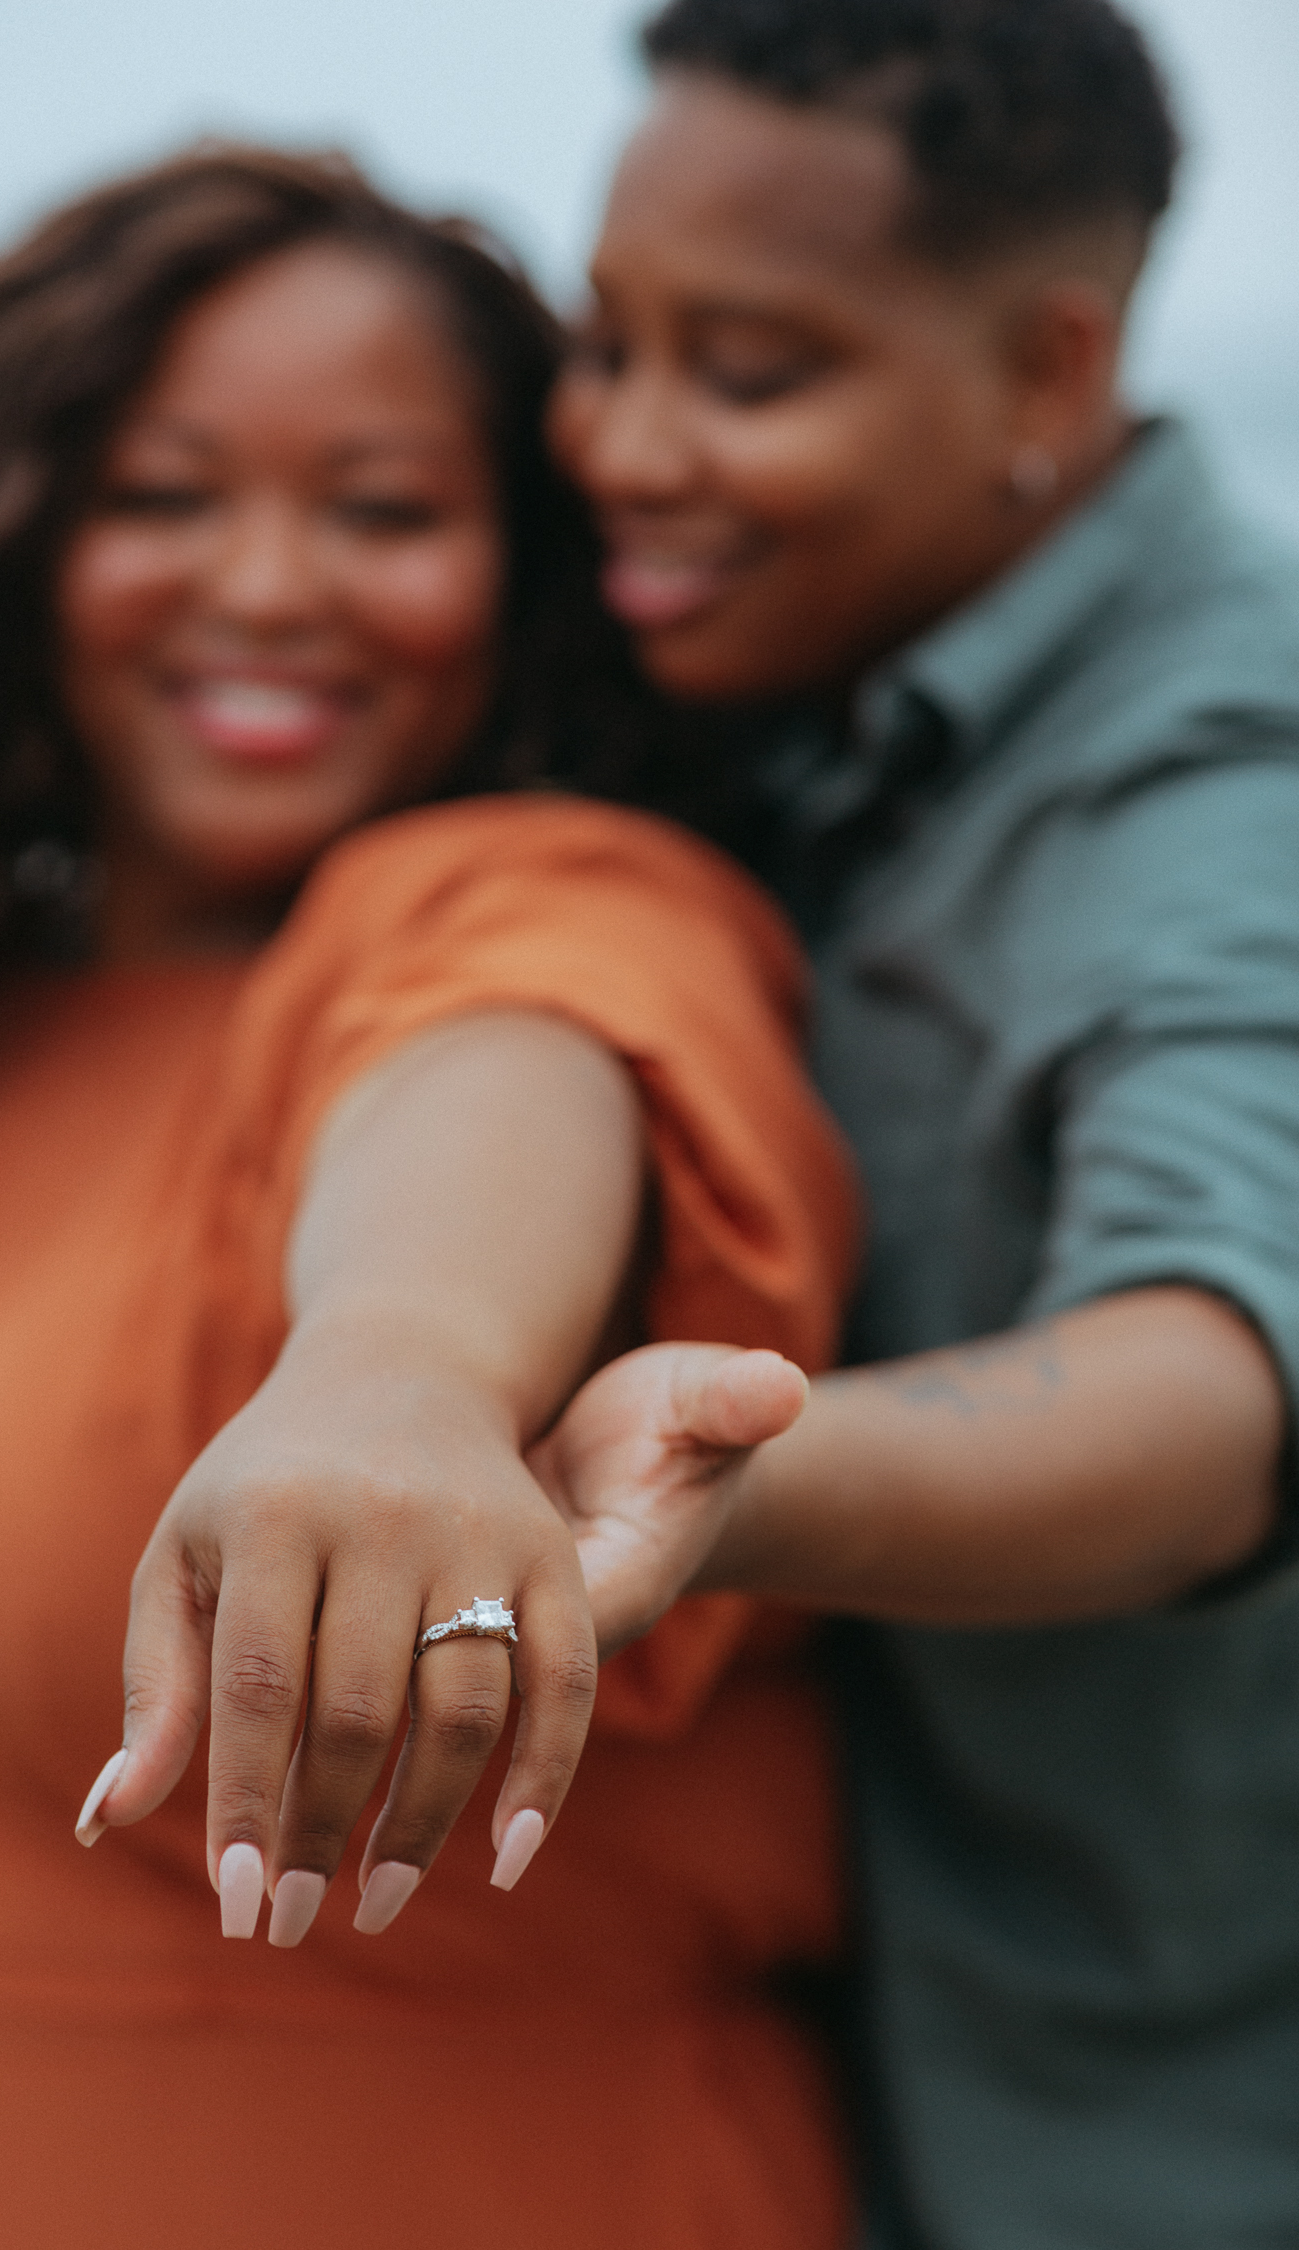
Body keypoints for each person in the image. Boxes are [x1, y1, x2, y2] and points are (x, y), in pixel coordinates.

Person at [0, 148, 860, 2249]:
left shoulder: (520, 899)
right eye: (162, 495)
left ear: (525, 570)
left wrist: (401, 1369)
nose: (270, 585)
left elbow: (502, 1054)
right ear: (8, 537)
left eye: (383, 510)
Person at [537, 2, 1299, 2244]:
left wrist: (724, 1473)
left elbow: (1213, 1379)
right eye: (605, 343)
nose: (629, 447)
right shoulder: (814, 665)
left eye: (750, 374)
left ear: (1048, 375)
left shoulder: (1218, 789)